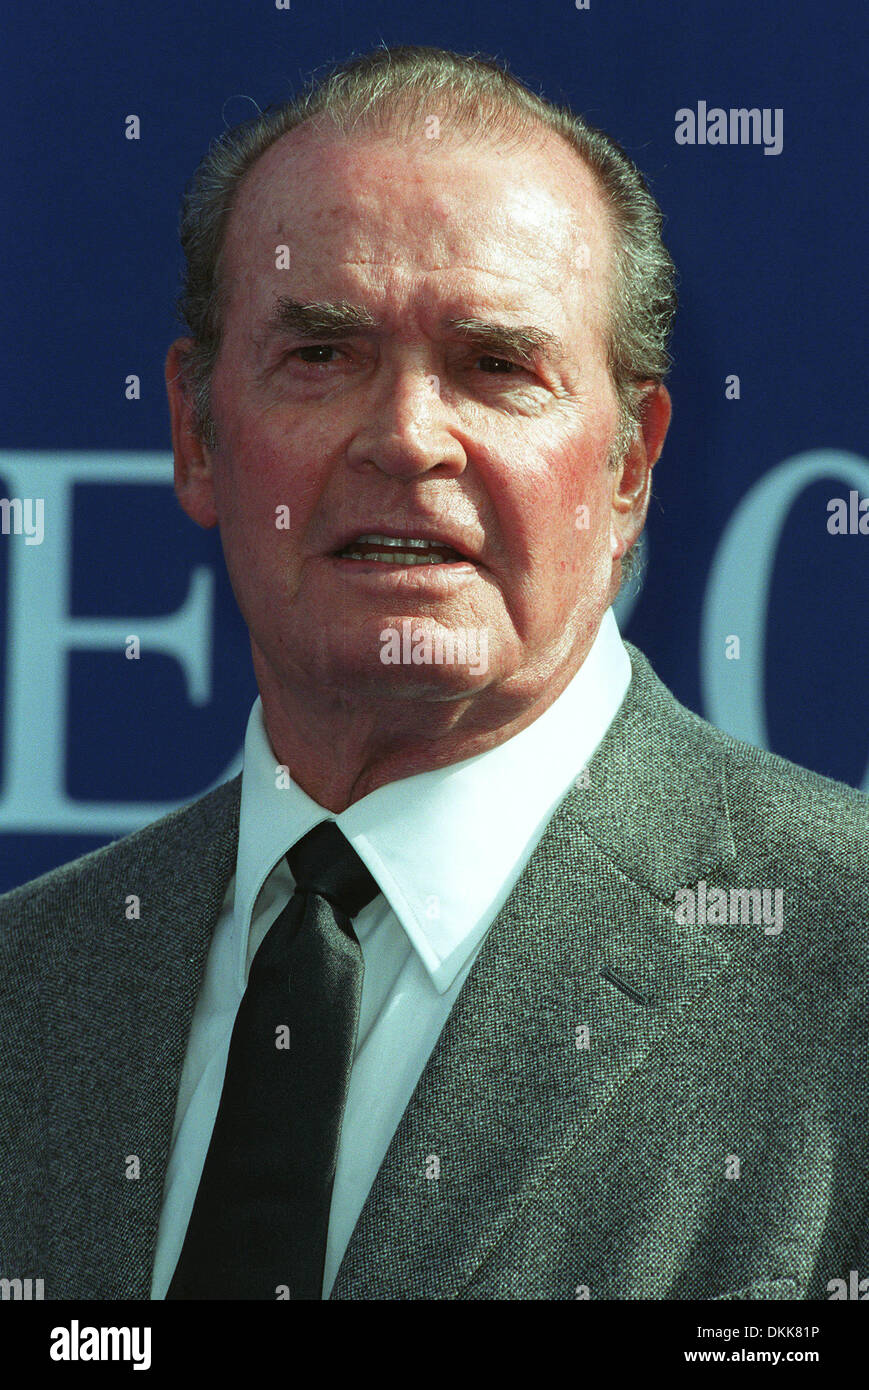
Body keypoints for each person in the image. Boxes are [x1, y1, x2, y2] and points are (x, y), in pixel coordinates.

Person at [1, 45, 867, 1303]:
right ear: (195, 435)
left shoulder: (841, 971)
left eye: (495, 365)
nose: (407, 436)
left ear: (628, 467)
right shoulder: (30, 989)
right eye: (322, 355)